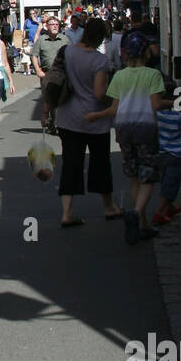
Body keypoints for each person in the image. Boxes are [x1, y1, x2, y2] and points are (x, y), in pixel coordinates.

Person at [86, 31, 165, 244]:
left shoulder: (119, 76)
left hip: (124, 130)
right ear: (146, 52)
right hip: (145, 128)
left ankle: (143, 225)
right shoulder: (153, 75)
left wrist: (96, 115)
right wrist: (176, 104)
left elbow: (114, 109)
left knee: (134, 176)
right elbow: (156, 105)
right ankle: (136, 213)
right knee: (148, 176)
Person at [54, 17, 121, 227]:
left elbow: (53, 81)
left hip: (67, 118)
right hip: (95, 120)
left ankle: (67, 212)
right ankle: (109, 207)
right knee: (100, 164)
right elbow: (100, 93)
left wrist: (47, 111)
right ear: (100, 37)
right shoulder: (99, 61)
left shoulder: (66, 52)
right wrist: (114, 97)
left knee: (70, 164)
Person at [151, 89, 181, 225]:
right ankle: (159, 212)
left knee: (166, 181)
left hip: (162, 154)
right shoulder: (177, 117)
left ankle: (170, 208)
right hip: (177, 155)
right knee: (171, 184)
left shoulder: (156, 116)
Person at [31, 14, 67, 133]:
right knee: (49, 99)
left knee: (61, 98)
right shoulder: (42, 40)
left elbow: (72, 54)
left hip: (62, 74)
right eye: (52, 25)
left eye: (57, 25)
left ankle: (58, 123)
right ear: (46, 27)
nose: (55, 26)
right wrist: (38, 70)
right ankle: (51, 122)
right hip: (46, 74)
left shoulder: (64, 39)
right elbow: (34, 55)